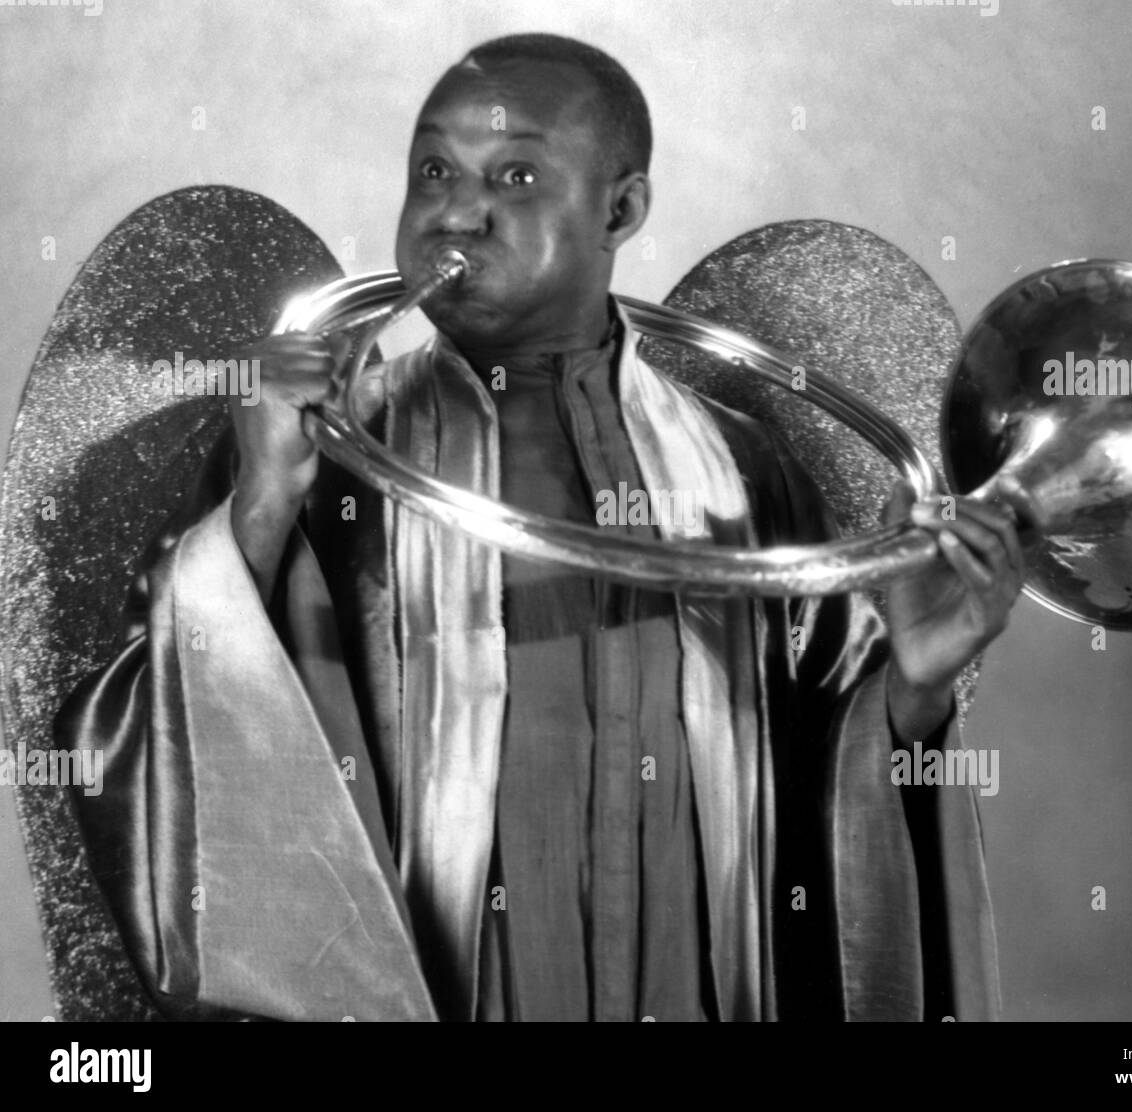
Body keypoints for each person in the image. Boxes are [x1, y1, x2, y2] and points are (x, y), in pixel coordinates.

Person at [56, 32, 1025, 1022]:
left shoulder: (741, 465)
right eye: (432, 170)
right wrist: (261, 505)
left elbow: (820, 796)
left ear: (622, 209)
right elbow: (143, 745)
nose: (457, 212)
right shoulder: (321, 452)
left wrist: (913, 685)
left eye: (515, 175)